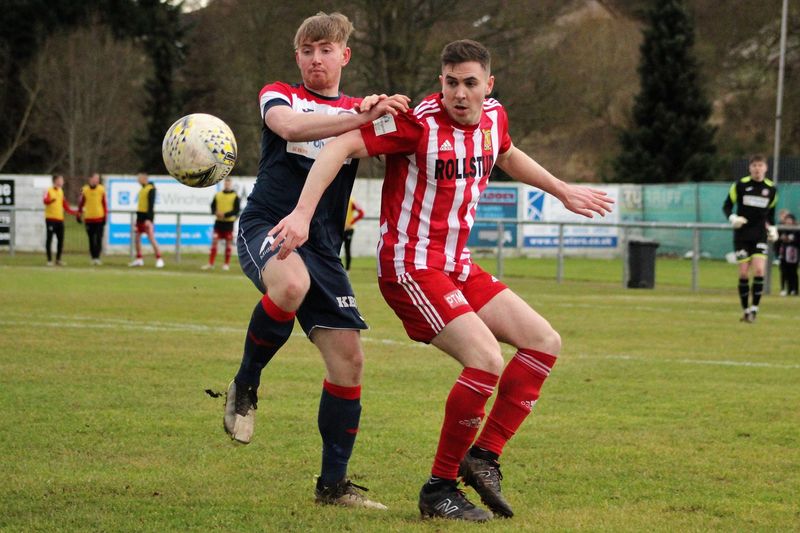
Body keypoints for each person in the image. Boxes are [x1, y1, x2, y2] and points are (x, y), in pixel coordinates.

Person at [269, 39, 614, 521]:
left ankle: (484, 456)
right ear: (441, 82)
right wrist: (303, 213)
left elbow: (507, 154)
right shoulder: (417, 123)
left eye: (470, 83)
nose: (459, 93)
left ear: (488, 86)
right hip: (410, 266)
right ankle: (439, 488)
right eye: (451, 82)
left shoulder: (495, 117)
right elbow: (345, 144)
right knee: (486, 359)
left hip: (456, 263)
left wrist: (561, 191)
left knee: (543, 341)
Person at [222, 11, 409, 510]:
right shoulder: (279, 94)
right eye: (307, 51)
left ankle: (332, 486)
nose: (316, 59)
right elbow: (287, 126)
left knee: (349, 363)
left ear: (344, 55)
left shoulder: (360, 109)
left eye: (326, 50)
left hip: (323, 245)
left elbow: (407, 138)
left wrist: (385, 111)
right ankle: (245, 384)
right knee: (289, 286)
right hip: (269, 225)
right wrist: (361, 117)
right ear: (297, 57)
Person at [723, 154, 779, 322]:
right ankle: (745, 309)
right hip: (742, 235)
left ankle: (754, 309)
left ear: (766, 168)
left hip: (759, 234)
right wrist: (733, 218)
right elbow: (726, 206)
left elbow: (771, 214)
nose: (757, 169)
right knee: (743, 273)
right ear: (750, 168)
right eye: (754, 165)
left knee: (760, 270)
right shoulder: (740, 185)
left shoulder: (771, 189)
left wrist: (773, 228)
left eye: (760, 165)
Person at [202, 177, 240, 271]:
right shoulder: (218, 195)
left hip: (229, 223)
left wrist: (225, 215)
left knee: (228, 245)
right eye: (226, 183)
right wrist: (215, 212)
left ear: (231, 184)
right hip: (218, 223)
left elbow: (236, 210)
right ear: (224, 184)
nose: (227, 185)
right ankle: (210, 263)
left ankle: (226, 264)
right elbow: (212, 207)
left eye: (228, 183)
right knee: (214, 242)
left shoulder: (235, 196)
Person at [128, 172, 164, 268]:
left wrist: (149, 219)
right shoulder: (142, 189)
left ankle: (159, 258)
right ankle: (139, 259)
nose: (138, 180)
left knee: (151, 238)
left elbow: (151, 206)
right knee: (137, 239)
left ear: (144, 178)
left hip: (146, 218)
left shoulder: (151, 189)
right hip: (140, 217)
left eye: (139, 178)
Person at [43, 174, 78, 266]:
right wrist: (50, 201)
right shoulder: (48, 190)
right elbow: (45, 201)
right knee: (49, 239)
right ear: (56, 181)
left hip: (60, 219)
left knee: (61, 240)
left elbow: (65, 206)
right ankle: (49, 260)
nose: (62, 182)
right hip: (50, 219)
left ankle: (58, 259)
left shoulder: (61, 191)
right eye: (61, 180)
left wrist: (75, 212)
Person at [78, 172, 107, 265]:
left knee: (99, 238)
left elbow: (104, 203)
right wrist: (79, 213)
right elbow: (81, 203)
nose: (97, 180)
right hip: (89, 218)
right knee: (91, 239)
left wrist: (105, 216)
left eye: (98, 179)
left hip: (99, 217)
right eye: (95, 178)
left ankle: (97, 257)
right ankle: (93, 256)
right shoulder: (84, 189)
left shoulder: (101, 189)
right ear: (90, 179)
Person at [778, 213, 799, 296]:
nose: (788, 221)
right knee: (783, 272)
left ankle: (794, 289)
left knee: (793, 272)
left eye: (790, 220)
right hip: (783, 254)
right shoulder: (782, 229)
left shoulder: (796, 230)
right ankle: (783, 289)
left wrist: (791, 240)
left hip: (793, 255)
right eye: (787, 220)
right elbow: (778, 241)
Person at [341, 196, 364, 271]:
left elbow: (361, 213)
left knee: (347, 249)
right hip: (339, 229)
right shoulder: (338, 199)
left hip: (349, 230)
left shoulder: (351, 200)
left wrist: (350, 223)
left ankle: (347, 270)